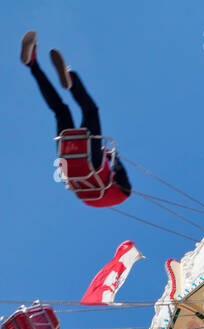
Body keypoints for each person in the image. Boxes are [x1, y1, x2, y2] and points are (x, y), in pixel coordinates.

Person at [21, 31, 131, 207]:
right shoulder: (90, 200)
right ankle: (32, 64)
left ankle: (71, 81)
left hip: (92, 162)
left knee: (91, 112)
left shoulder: (123, 195)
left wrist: (113, 157)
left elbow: (122, 177)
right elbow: (80, 192)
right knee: (60, 111)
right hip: (66, 161)